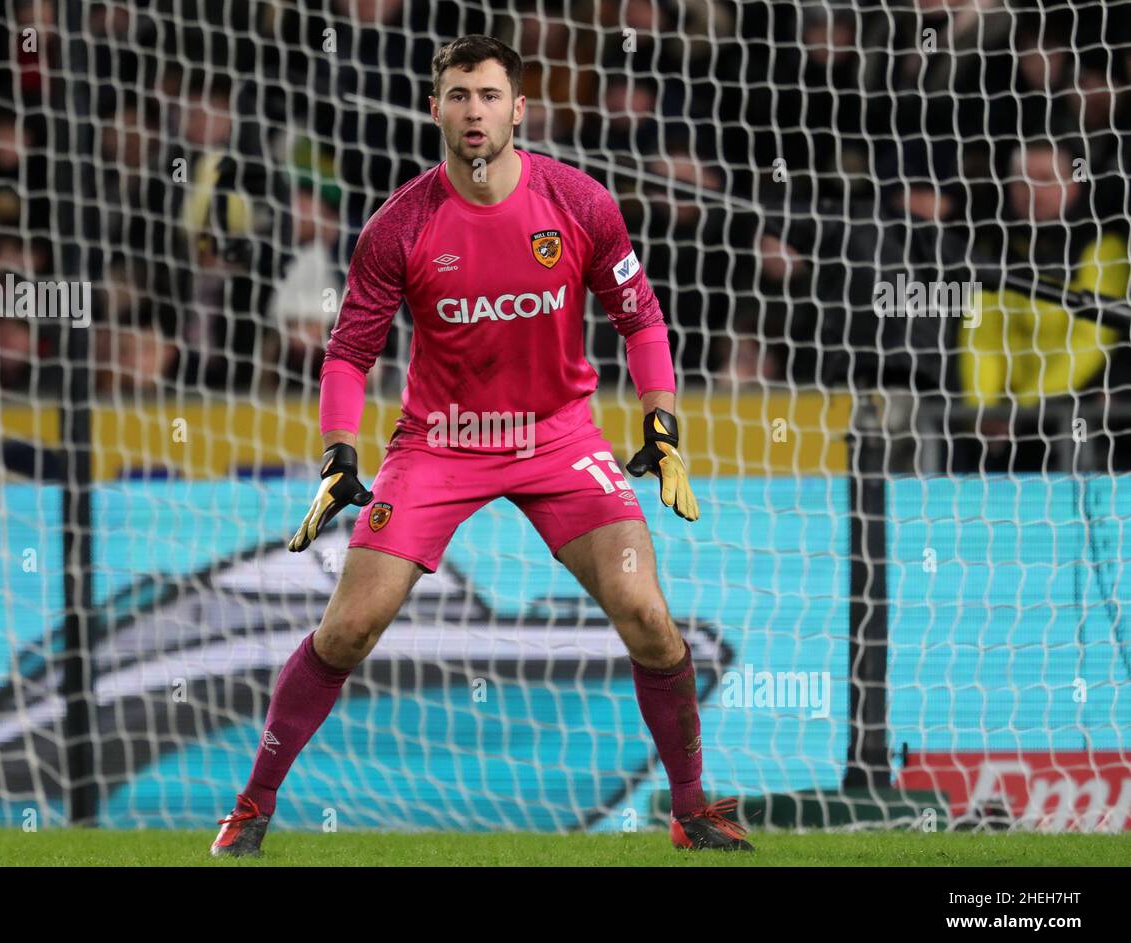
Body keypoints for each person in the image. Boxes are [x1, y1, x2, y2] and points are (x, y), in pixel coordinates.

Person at [211, 35, 751, 857]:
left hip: (559, 438)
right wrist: (338, 452)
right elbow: (350, 353)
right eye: (459, 95)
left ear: (518, 109)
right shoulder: (400, 224)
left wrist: (662, 421)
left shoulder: (579, 202)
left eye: (490, 96)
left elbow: (640, 318)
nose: (475, 111)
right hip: (441, 444)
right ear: (436, 107)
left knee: (647, 617)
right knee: (348, 630)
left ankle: (691, 810)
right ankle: (250, 808)